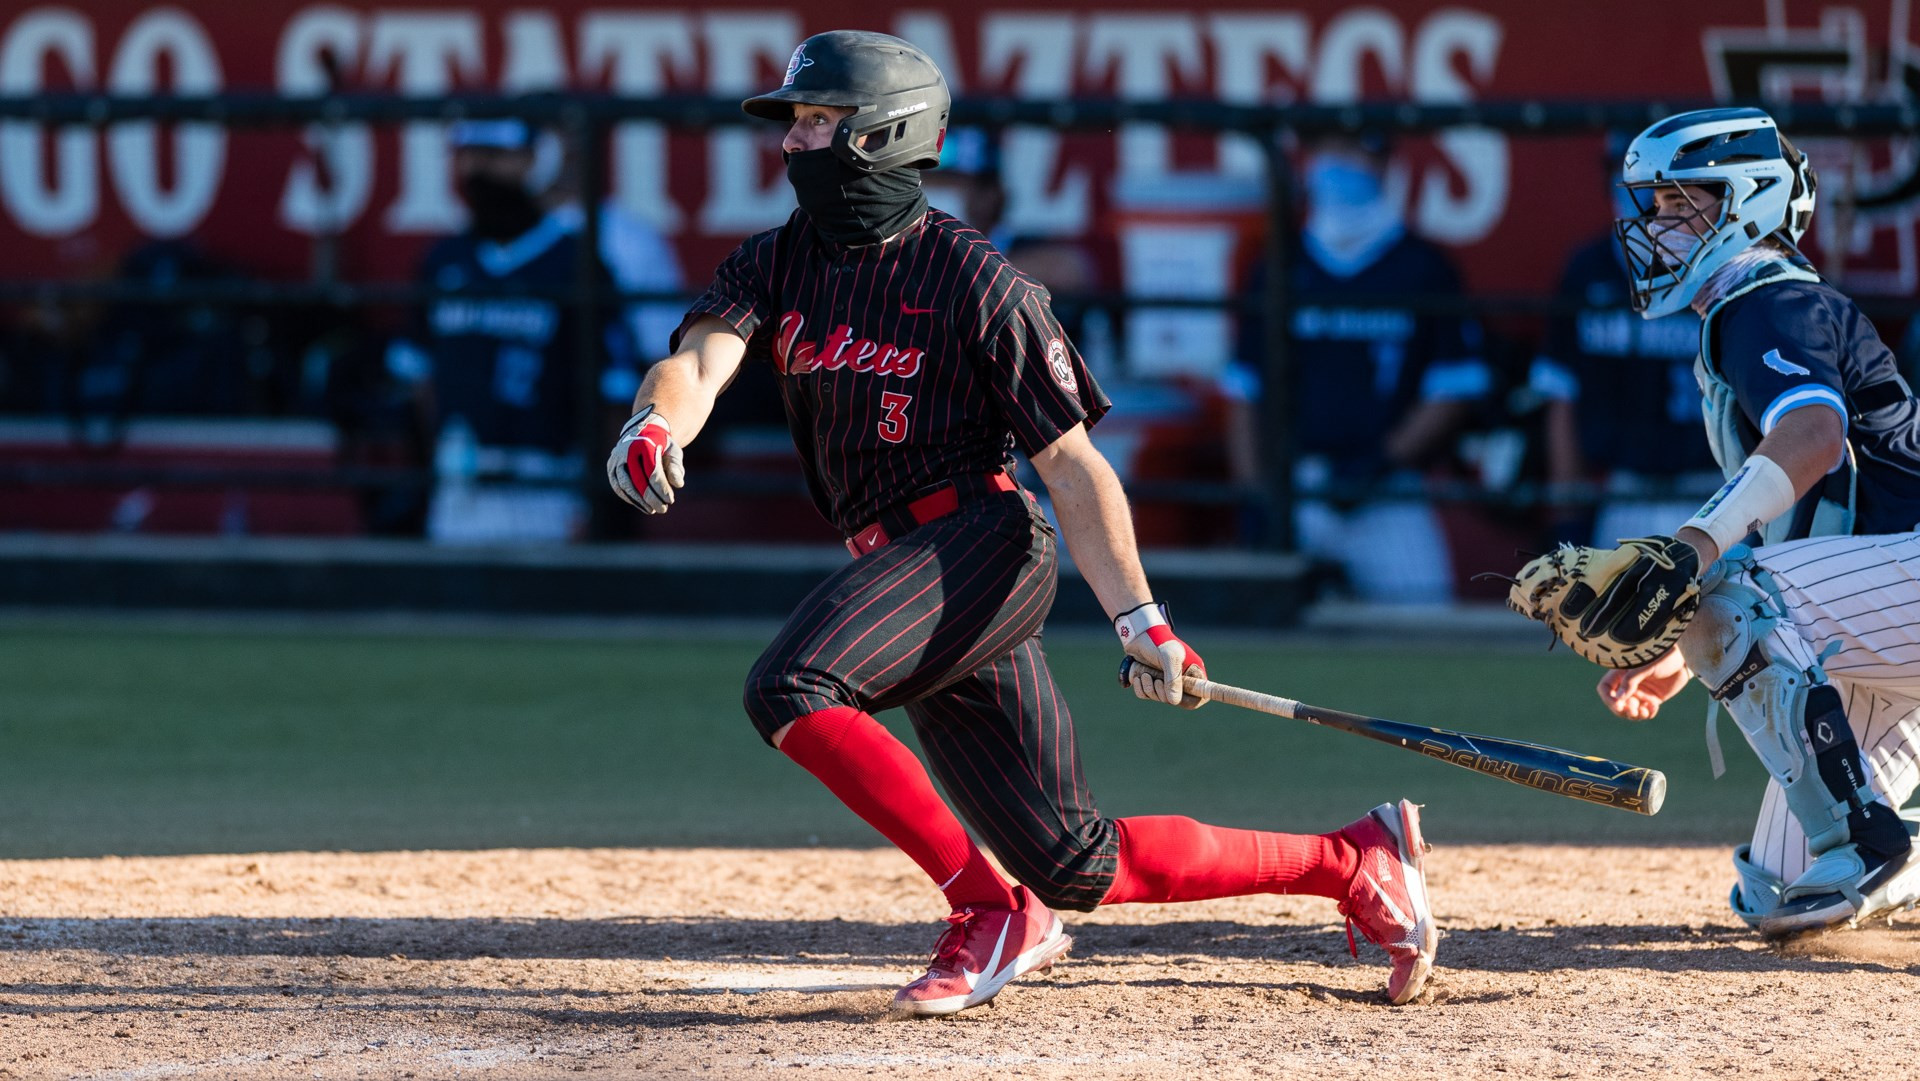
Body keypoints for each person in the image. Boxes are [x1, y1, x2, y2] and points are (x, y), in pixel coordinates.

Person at [605, 30, 1438, 1014]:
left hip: (983, 544)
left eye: (820, 120)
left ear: (884, 137)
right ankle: (1353, 859)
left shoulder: (977, 279)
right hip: (905, 566)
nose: (795, 141)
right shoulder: (776, 259)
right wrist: (656, 419)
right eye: (796, 121)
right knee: (1079, 862)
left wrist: (1141, 617)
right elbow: (698, 362)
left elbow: (1074, 466)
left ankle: (986, 909)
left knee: (792, 685)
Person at [1534, 107, 1920, 937]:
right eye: (1656, 208)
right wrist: (1687, 646)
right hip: (1892, 603)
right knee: (1779, 895)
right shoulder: (1749, 310)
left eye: (1680, 207)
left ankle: (1872, 837)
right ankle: (1881, 849)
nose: (1658, 228)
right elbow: (1804, 522)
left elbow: (1814, 438)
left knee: (1721, 589)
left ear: (1747, 202)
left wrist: (1694, 552)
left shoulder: (1768, 299)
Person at [1228, 133, 1492, 598]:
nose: (1339, 164)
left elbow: (1454, 389)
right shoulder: (1279, 265)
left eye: (1355, 151)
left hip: (1388, 488)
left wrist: (1380, 462)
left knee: (1426, 617)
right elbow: (1243, 392)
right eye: (1330, 149)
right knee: (1272, 630)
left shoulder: (1423, 266)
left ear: (1383, 162)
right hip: (1299, 482)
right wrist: (1255, 494)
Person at [386, 118, 634, 543]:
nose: (479, 170)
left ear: (531, 161)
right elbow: (419, 379)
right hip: (458, 480)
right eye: (471, 156)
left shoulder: (574, 262)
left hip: (547, 481)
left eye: (495, 156)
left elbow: (612, 391)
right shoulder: (444, 260)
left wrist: (602, 496)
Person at [1527, 136, 1718, 547]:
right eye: (1626, 170)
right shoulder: (1589, 268)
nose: (1639, 186)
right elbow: (1562, 402)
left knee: (1732, 609)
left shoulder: (1725, 265)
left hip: (1717, 487)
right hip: (1629, 487)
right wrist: (1569, 518)